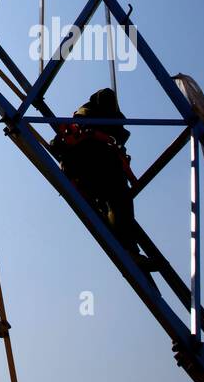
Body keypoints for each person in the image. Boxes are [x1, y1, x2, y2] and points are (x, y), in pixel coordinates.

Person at [51, 88, 143, 261]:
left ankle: (127, 246)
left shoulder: (87, 117)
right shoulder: (91, 118)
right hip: (94, 165)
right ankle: (129, 249)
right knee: (118, 199)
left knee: (114, 201)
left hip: (88, 170)